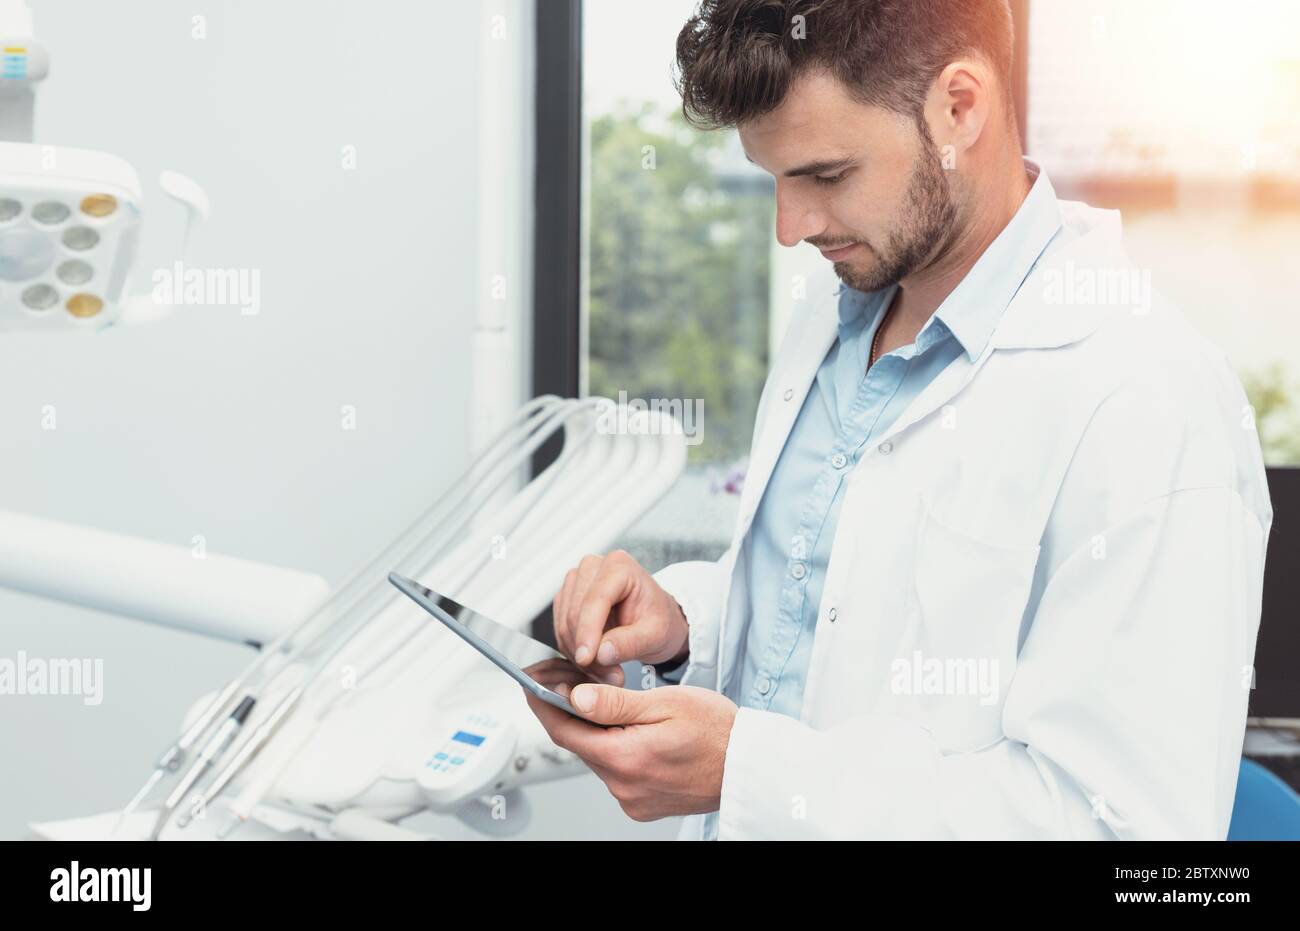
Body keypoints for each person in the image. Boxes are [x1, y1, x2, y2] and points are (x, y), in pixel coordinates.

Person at [522, 0, 1272, 840]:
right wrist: (681, 627)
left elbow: (1127, 830)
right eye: (774, 178)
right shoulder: (836, 317)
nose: (789, 227)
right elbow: (825, 613)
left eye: (826, 175)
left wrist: (753, 774)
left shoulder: (1149, 399)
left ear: (961, 106)